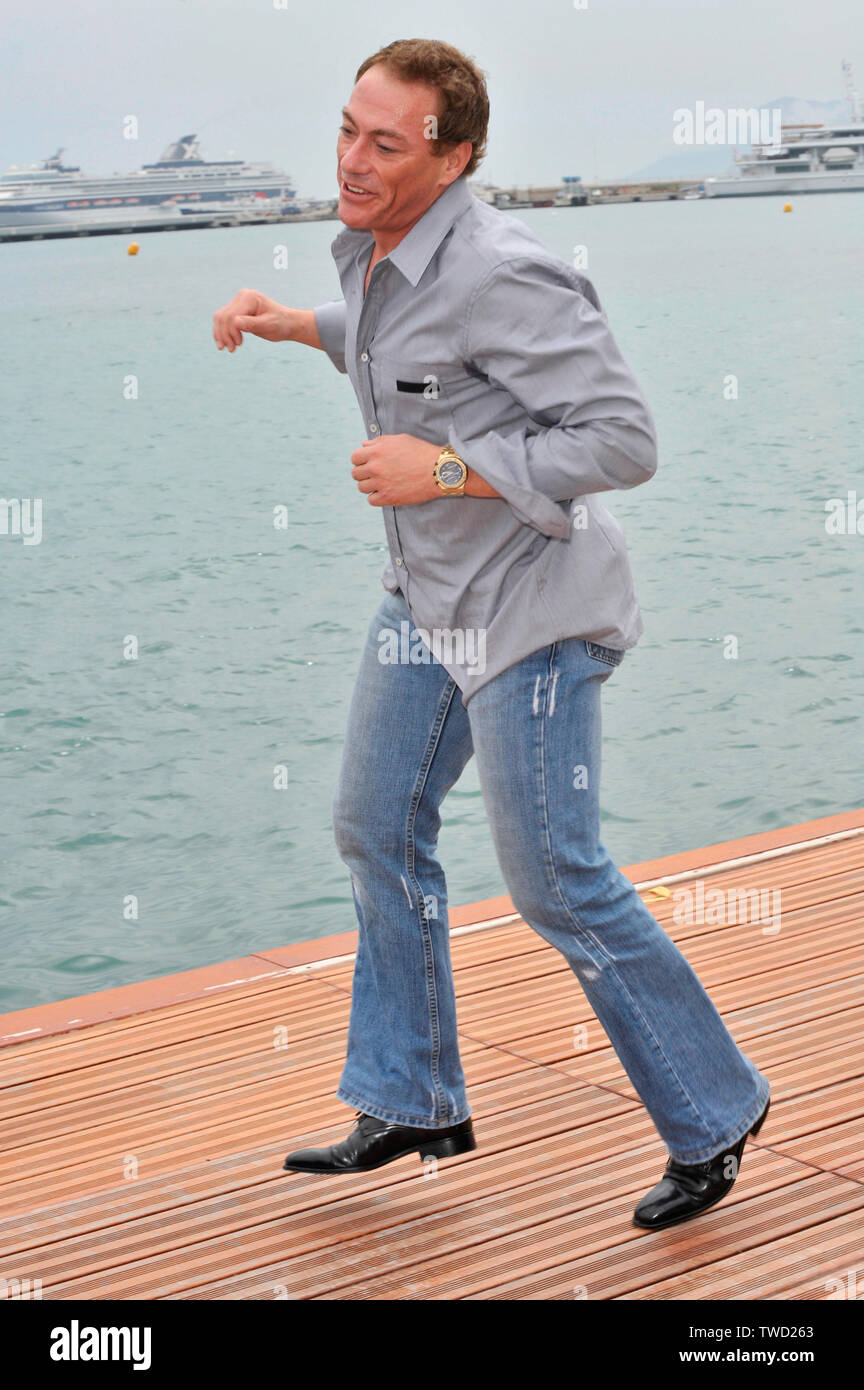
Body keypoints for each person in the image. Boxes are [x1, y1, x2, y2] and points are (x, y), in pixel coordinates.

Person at [212, 37, 770, 1231]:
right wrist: (287, 322)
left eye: (387, 143)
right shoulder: (372, 253)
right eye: (349, 129)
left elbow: (624, 441)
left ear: (454, 156)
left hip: (534, 611)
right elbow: (400, 346)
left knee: (558, 880)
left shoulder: (509, 270)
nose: (355, 160)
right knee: (373, 825)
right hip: (424, 602)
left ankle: (715, 1112)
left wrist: (450, 469)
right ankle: (411, 1096)